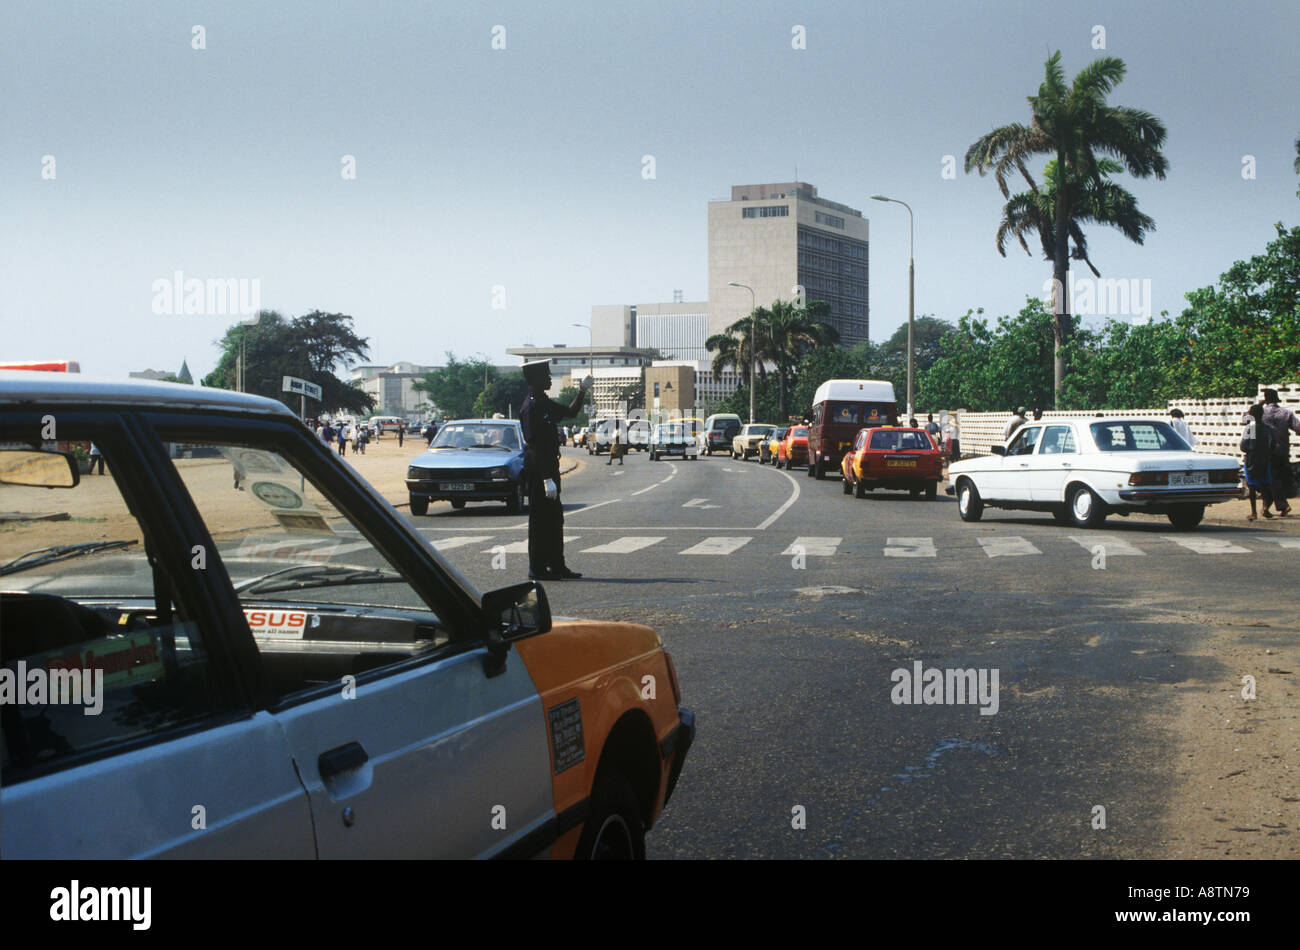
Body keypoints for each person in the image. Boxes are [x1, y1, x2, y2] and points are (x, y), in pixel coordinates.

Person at [520, 358, 591, 580]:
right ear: (535, 379)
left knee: (554, 519)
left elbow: (570, 413)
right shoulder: (531, 406)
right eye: (546, 375)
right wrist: (545, 479)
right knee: (540, 520)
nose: (550, 379)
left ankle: (557, 565)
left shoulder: (543, 402)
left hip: (548, 465)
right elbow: (534, 445)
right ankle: (538, 568)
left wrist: (581, 391)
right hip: (539, 468)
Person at [1241, 389, 1299, 516]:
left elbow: (1245, 420)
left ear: (1265, 399)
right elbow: (1298, 428)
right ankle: (1273, 507)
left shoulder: (1260, 414)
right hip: (1282, 451)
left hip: (1264, 454)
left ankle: (1278, 506)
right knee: (1277, 480)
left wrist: (1259, 404)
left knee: (1270, 481)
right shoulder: (1286, 413)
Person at [1241, 403, 1275, 520]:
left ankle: (1254, 512)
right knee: (1266, 486)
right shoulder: (1267, 428)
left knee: (1252, 487)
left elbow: (1243, 446)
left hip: (1251, 460)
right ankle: (1265, 507)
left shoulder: (1250, 428)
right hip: (1264, 460)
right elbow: (1273, 444)